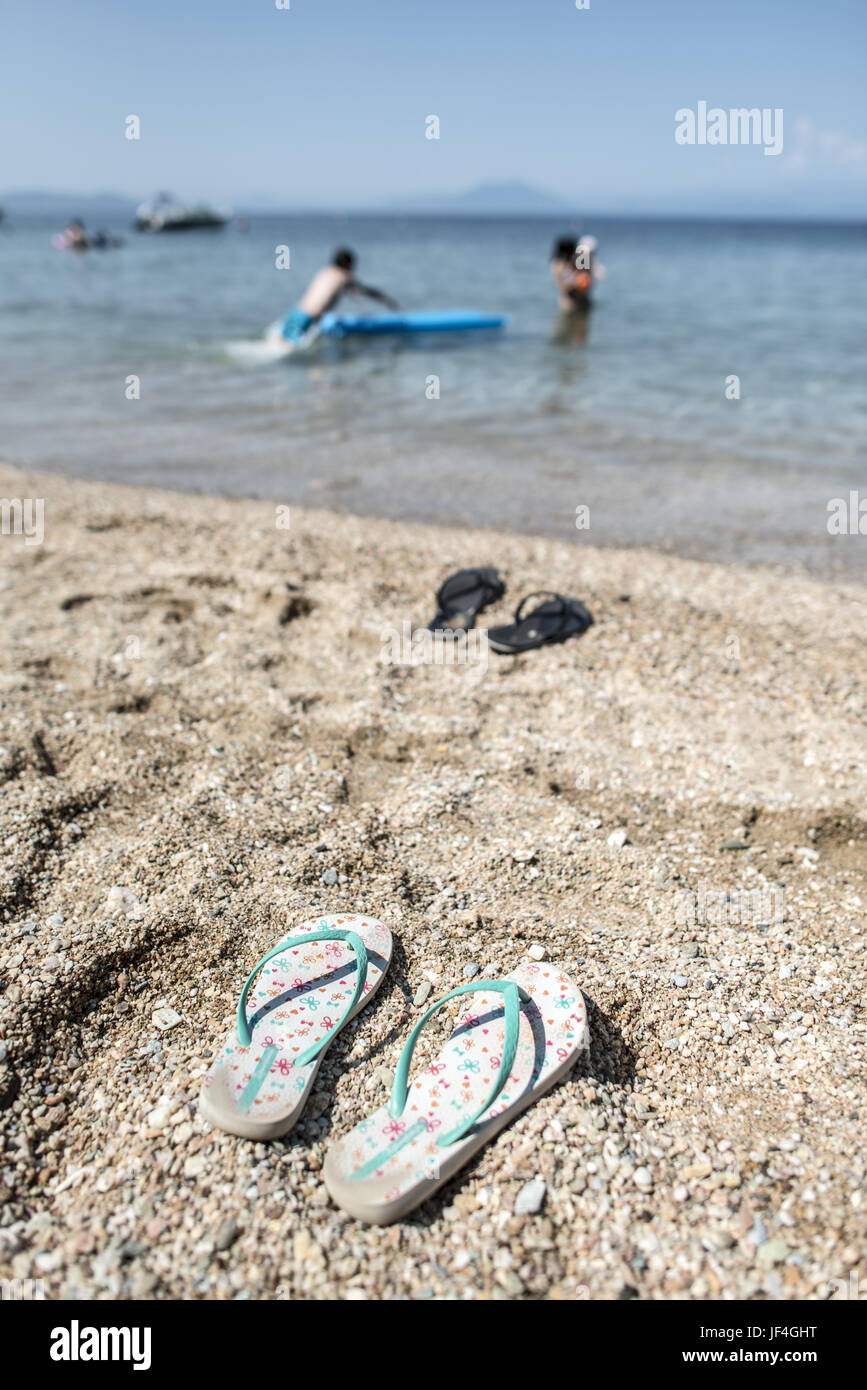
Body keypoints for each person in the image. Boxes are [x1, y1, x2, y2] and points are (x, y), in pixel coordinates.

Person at [273, 247, 400, 343]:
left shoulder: (324, 271)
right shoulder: (343, 276)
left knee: (280, 344)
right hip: (307, 318)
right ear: (348, 264)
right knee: (290, 349)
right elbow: (366, 291)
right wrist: (388, 300)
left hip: (295, 312)